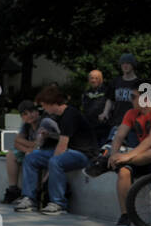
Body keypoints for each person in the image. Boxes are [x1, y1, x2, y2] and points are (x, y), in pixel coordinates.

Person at [13, 86, 96, 215]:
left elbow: (62, 146)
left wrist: (47, 175)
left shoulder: (70, 114)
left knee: (55, 161)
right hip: (69, 150)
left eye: (44, 105)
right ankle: (29, 198)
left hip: (83, 154)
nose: (44, 109)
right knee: (31, 157)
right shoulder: (60, 116)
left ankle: (58, 204)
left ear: (52, 103)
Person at [105, 81, 151, 226]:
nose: (130, 100)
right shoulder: (131, 113)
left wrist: (127, 156)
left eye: (133, 96)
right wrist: (113, 154)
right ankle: (125, 216)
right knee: (124, 172)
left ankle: (117, 162)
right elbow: (118, 136)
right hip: (142, 158)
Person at [1, 99, 57, 204]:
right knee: (11, 154)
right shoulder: (26, 125)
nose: (29, 116)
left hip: (48, 152)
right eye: (25, 114)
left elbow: (39, 143)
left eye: (32, 112)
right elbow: (16, 141)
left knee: (31, 156)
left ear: (37, 112)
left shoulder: (44, 122)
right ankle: (13, 189)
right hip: (35, 150)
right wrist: (29, 148)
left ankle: (37, 193)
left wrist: (30, 148)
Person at [104, 53, 142, 149]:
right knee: (110, 148)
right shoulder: (115, 82)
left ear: (133, 65)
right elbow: (110, 99)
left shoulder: (139, 83)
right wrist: (105, 112)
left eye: (128, 63)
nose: (125, 66)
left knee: (131, 150)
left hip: (134, 125)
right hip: (117, 122)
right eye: (123, 63)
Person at [80, 68, 110, 148]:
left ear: (101, 79)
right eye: (92, 78)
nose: (93, 80)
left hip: (103, 129)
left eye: (96, 78)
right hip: (89, 128)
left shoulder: (107, 92)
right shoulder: (86, 93)